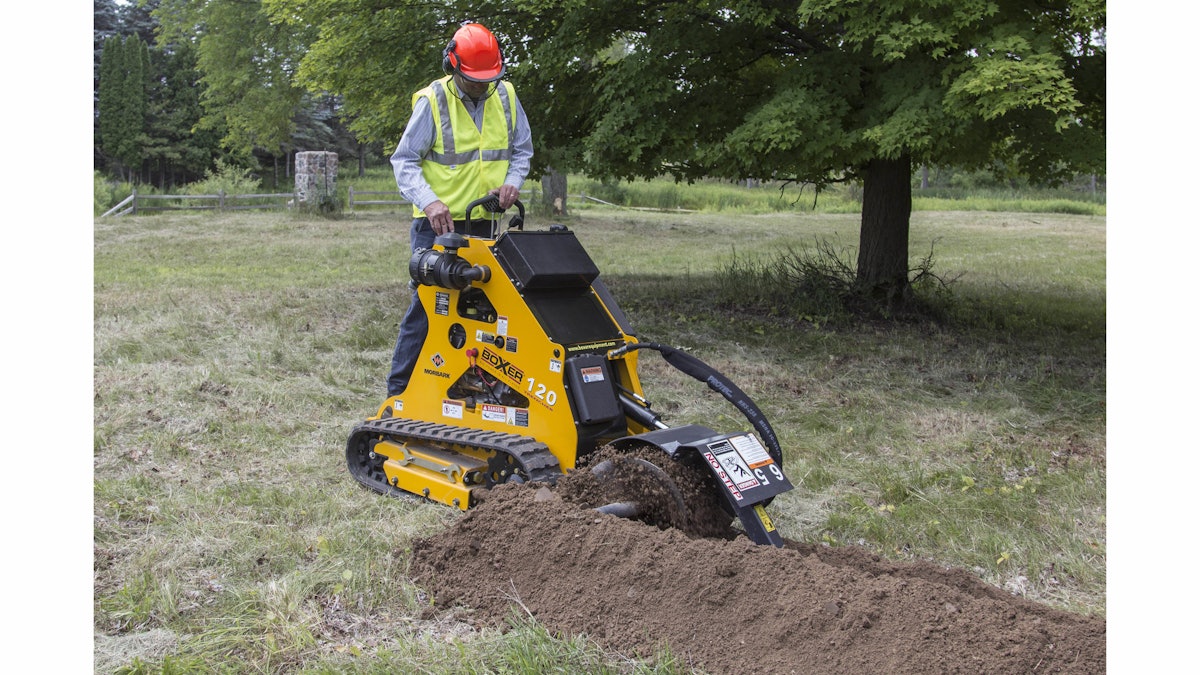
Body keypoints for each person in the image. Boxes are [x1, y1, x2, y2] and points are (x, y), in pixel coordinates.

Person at [387, 22, 533, 397]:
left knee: (482, 308)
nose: (482, 86)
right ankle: (399, 393)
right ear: (453, 66)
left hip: (485, 222)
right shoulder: (433, 101)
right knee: (429, 309)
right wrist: (429, 201)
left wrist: (512, 182)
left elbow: (522, 151)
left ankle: (468, 383)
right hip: (438, 226)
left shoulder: (506, 96)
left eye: (489, 79)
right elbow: (404, 160)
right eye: (474, 80)